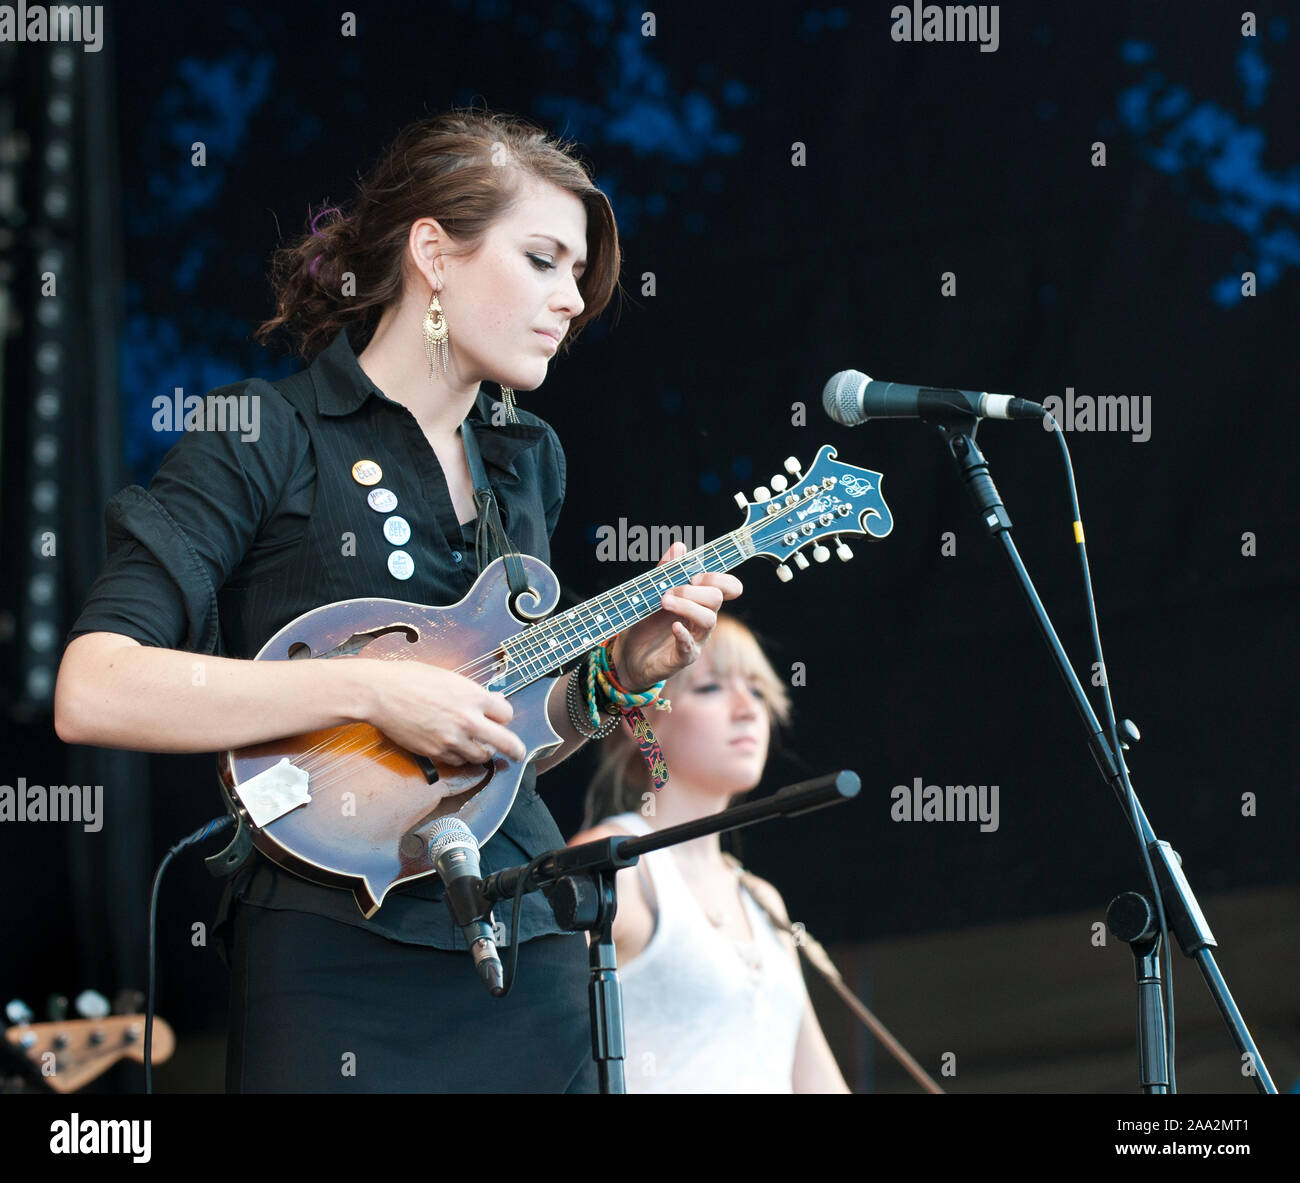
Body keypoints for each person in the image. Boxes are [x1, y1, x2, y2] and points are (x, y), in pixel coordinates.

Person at [53, 107, 741, 1093]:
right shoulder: (266, 433)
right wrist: (370, 694)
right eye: (543, 260)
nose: (570, 300)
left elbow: (509, 737)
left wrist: (616, 676)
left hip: (522, 927)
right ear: (434, 253)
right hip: (328, 952)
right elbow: (97, 686)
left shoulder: (523, 463)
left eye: (577, 275)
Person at [569, 615, 851, 1093]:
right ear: (644, 720)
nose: (747, 709)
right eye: (710, 688)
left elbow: (817, 1081)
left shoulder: (762, 899)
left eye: (759, 691)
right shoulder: (615, 869)